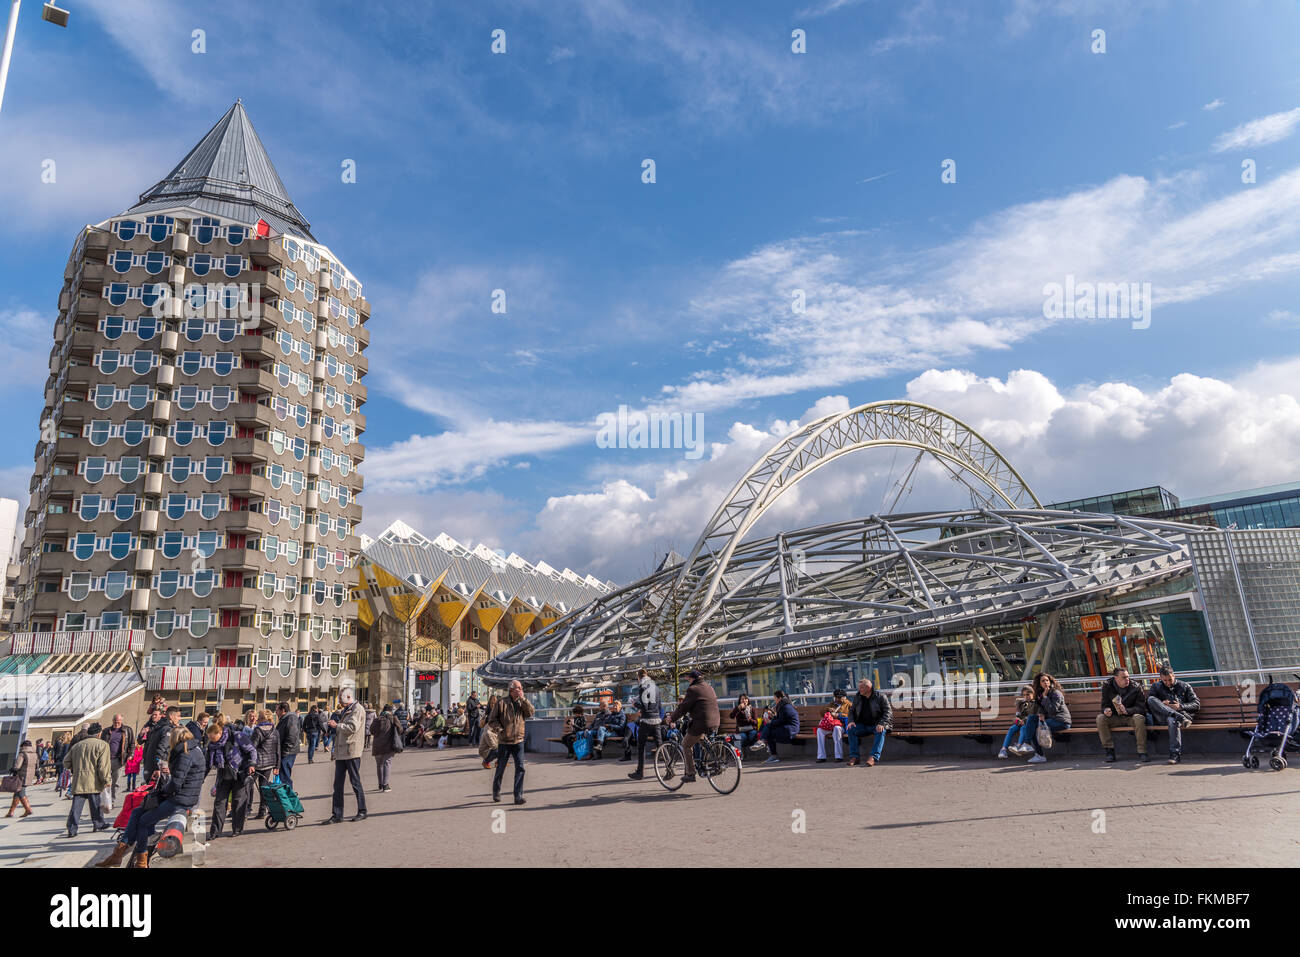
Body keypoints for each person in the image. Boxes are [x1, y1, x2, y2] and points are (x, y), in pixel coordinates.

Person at [98, 727, 207, 869]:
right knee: (138, 811)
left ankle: (140, 860)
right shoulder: (194, 749)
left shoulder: (185, 754)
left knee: (143, 821)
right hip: (183, 795)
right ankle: (119, 853)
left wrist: (161, 793)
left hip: (181, 799)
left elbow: (176, 783)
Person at [663, 670, 720, 783]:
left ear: (692, 678)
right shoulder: (709, 687)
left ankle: (690, 774)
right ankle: (715, 761)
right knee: (701, 738)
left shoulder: (693, 689)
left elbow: (683, 707)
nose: (688, 682)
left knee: (685, 744)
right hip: (715, 721)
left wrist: (671, 718)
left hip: (702, 723)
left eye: (688, 679)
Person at [206, 716, 257, 840]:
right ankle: (215, 832)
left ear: (220, 733)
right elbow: (207, 763)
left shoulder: (237, 736)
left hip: (240, 773)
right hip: (224, 775)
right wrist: (200, 777)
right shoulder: (212, 745)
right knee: (219, 803)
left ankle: (237, 829)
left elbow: (252, 750)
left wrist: (251, 764)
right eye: (210, 739)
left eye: (213, 738)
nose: (212, 741)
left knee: (238, 802)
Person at [323, 688, 367, 824]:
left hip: (352, 751)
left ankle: (362, 810)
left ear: (348, 697)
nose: (340, 702)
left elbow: (352, 727)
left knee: (355, 782)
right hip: (342, 752)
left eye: (341, 698)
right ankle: (337, 814)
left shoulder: (357, 709)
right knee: (337, 785)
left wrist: (337, 725)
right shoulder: (347, 709)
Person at [488, 680, 534, 804]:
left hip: (518, 740)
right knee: (501, 767)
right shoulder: (501, 703)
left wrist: (524, 700)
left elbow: (530, 713)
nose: (520, 690)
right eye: (518, 688)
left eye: (521, 688)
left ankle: (518, 796)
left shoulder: (521, 702)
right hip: (505, 741)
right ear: (512, 690)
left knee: (520, 767)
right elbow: (492, 720)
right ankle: (496, 791)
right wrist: (500, 730)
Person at [63, 722, 111, 837]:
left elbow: (66, 762)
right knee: (95, 804)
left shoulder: (77, 745)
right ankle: (98, 823)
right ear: (99, 734)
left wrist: (75, 767)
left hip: (79, 779)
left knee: (76, 806)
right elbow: (103, 766)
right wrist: (106, 780)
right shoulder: (102, 745)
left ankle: (72, 829)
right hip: (93, 780)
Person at [1147, 665, 1200, 764]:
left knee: (1172, 720)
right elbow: (1150, 704)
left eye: (1169, 680)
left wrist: (1180, 706)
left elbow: (1196, 704)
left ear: (1174, 676)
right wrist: (1162, 704)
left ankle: (1175, 754)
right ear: (1161, 678)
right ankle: (1176, 715)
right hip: (1162, 717)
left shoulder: (1185, 686)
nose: (1167, 683)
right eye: (1164, 680)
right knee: (1151, 699)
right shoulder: (1156, 686)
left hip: (1181, 716)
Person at [1096, 667, 1149, 763]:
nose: (1127, 680)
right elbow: (1104, 704)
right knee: (1100, 718)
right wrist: (1106, 710)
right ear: (1116, 678)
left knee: (1139, 718)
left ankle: (1142, 752)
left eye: (1128, 677)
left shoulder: (1136, 687)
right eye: (1124, 677)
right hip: (1114, 717)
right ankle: (1109, 751)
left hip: (1130, 716)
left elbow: (1142, 708)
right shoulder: (1107, 686)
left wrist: (1128, 711)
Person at [1024, 672, 1072, 764]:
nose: (1045, 682)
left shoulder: (1055, 693)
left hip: (1061, 722)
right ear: (1039, 684)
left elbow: (1053, 710)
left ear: (1050, 682)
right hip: (1051, 720)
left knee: (1033, 728)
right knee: (1032, 718)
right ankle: (1028, 745)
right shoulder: (1040, 695)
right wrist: (1041, 714)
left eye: (1047, 680)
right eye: (1043, 681)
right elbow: (1041, 709)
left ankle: (1037, 752)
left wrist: (1045, 698)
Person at [846, 679, 892, 767]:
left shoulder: (880, 696)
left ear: (868, 688)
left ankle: (873, 757)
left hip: (877, 725)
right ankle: (854, 757)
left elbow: (888, 712)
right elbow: (851, 710)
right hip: (863, 726)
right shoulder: (858, 696)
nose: (859, 690)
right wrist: (851, 721)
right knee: (851, 729)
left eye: (861, 688)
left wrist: (882, 723)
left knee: (881, 730)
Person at [627, 669, 663, 779]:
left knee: (641, 746)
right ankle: (669, 769)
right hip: (656, 720)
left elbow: (644, 706)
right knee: (660, 745)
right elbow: (660, 706)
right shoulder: (656, 688)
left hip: (646, 721)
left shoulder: (642, 687)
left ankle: (640, 772)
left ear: (639, 678)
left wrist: (634, 704)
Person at [753, 689, 800, 764]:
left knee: (769, 729)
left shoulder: (786, 707)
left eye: (775, 699)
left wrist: (770, 721)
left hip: (790, 729)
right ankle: (766, 745)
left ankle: (763, 742)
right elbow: (780, 719)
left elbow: (781, 721)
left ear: (780, 698)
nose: (775, 701)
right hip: (786, 728)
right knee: (769, 730)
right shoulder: (783, 705)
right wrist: (772, 717)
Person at [250, 709, 281, 819]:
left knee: (247, 785)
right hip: (269, 763)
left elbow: (252, 748)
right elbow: (278, 749)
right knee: (264, 788)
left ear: (263, 719)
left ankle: (246, 809)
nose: (257, 719)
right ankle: (262, 811)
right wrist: (277, 766)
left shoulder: (258, 731)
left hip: (257, 763)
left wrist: (250, 763)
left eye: (259, 717)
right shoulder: (275, 730)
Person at [101, 713, 135, 802]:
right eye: (115, 722)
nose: (117, 724)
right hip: (106, 760)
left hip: (119, 760)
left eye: (118, 722)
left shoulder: (127, 730)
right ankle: (105, 800)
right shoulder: (106, 731)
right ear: (112, 721)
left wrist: (131, 754)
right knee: (105, 781)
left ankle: (112, 800)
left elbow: (132, 744)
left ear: (121, 721)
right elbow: (101, 744)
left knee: (115, 782)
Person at [142, 707, 178, 782]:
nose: (179, 718)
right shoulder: (167, 729)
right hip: (158, 768)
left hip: (150, 767)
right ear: (171, 717)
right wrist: (157, 768)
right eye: (178, 716)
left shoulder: (158, 727)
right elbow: (161, 749)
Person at [1000, 685, 1037, 758]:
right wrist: (1017, 719)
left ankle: (1018, 746)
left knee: (1023, 728)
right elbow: (1019, 714)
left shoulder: (1035, 703)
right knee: (1012, 729)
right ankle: (1003, 750)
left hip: (1029, 724)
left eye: (1028, 694)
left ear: (1033, 694)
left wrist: (1024, 720)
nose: (1026, 697)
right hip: (1021, 722)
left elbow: (1034, 716)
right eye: (1024, 695)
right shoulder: (1023, 704)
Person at [816, 690, 850, 763]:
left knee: (837, 728)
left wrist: (839, 715)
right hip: (830, 725)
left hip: (842, 726)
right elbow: (821, 713)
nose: (837, 699)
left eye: (839, 698)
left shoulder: (849, 705)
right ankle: (821, 756)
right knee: (819, 730)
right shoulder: (832, 704)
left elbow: (851, 716)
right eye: (836, 697)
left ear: (844, 698)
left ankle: (839, 756)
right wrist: (828, 709)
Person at [371, 704, 399, 792]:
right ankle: (385, 785)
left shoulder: (377, 719)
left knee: (379, 765)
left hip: (377, 745)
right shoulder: (393, 718)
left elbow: (371, 731)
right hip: (389, 745)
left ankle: (380, 784)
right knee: (387, 763)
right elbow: (401, 729)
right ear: (391, 711)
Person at [5, 739, 36, 818]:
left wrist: (13, 769)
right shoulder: (34, 754)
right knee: (17, 793)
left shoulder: (22, 753)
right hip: (29, 776)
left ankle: (28, 809)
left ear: (23, 746)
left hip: (21, 776)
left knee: (21, 793)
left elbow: (17, 766)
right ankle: (11, 812)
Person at [276, 702, 302, 788]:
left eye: (277, 710)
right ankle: (286, 795)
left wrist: (285, 751)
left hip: (288, 752)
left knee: (285, 776)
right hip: (286, 751)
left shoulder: (290, 718)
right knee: (283, 775)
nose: (276, 712)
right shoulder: (285, 718)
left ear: (283, 710)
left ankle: (289, 797)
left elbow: (292, 736)